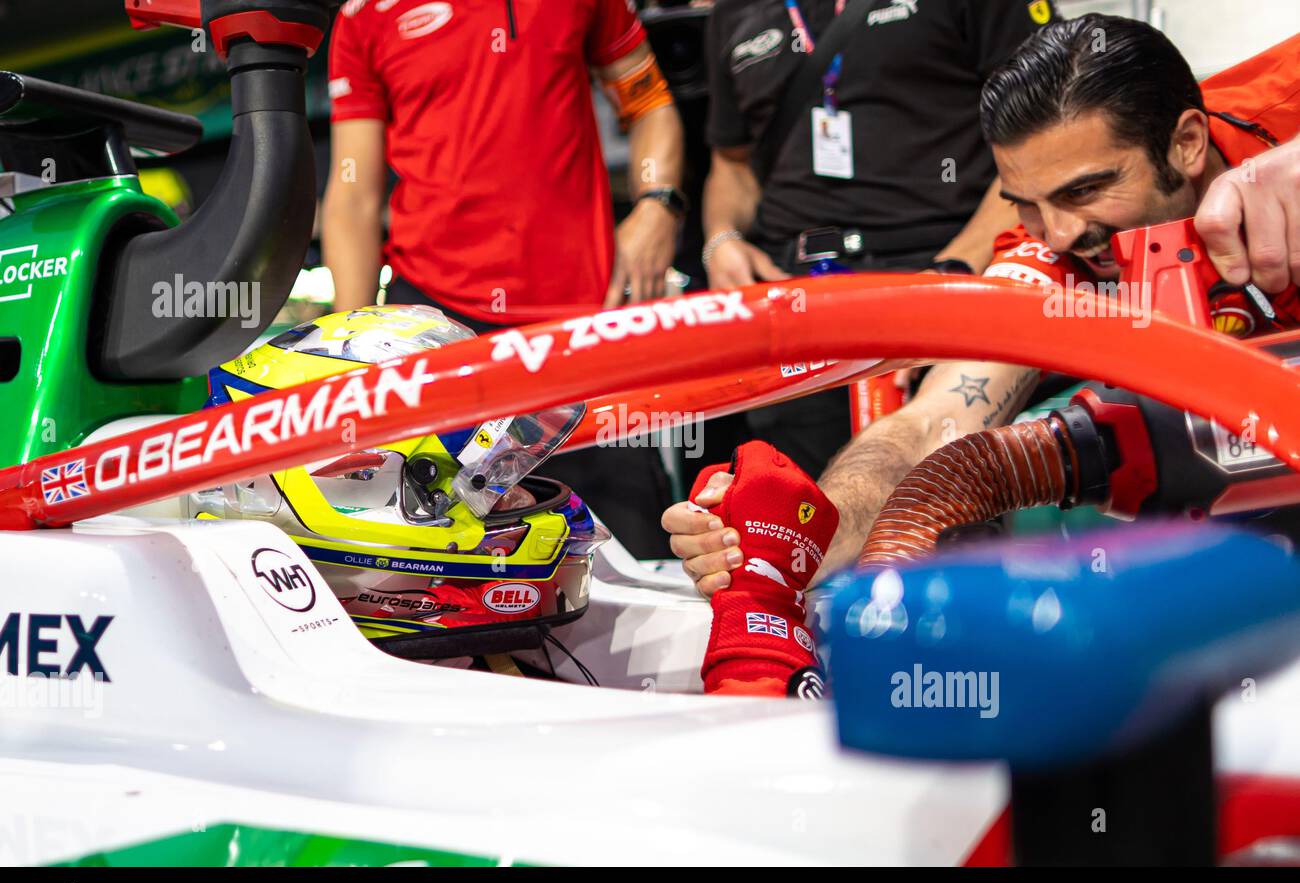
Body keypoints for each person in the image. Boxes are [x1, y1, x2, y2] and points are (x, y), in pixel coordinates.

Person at [665, 16, 1300, 606]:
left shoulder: (1283, 104)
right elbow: (932, 426)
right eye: (1026, 202)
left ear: (1186, 144)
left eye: (1085, 190)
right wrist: (803, 533)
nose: (1056, 233)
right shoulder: (1047, 256)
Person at [322, 0, 688, 557]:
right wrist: (349, 350)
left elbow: (649, 102)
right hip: (439, 330)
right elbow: (353, 193)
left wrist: (657, 202)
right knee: (433, 568)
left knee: (636, 558)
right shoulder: (364, 14)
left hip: (579, 327)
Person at [693, 0, 1058, 478]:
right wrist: (720, 240)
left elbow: (1047, 134)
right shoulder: (733, 12)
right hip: (796, 296)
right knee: (803, 516)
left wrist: (953, 273)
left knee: (940, 505)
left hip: (941, 274)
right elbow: (731, 163)